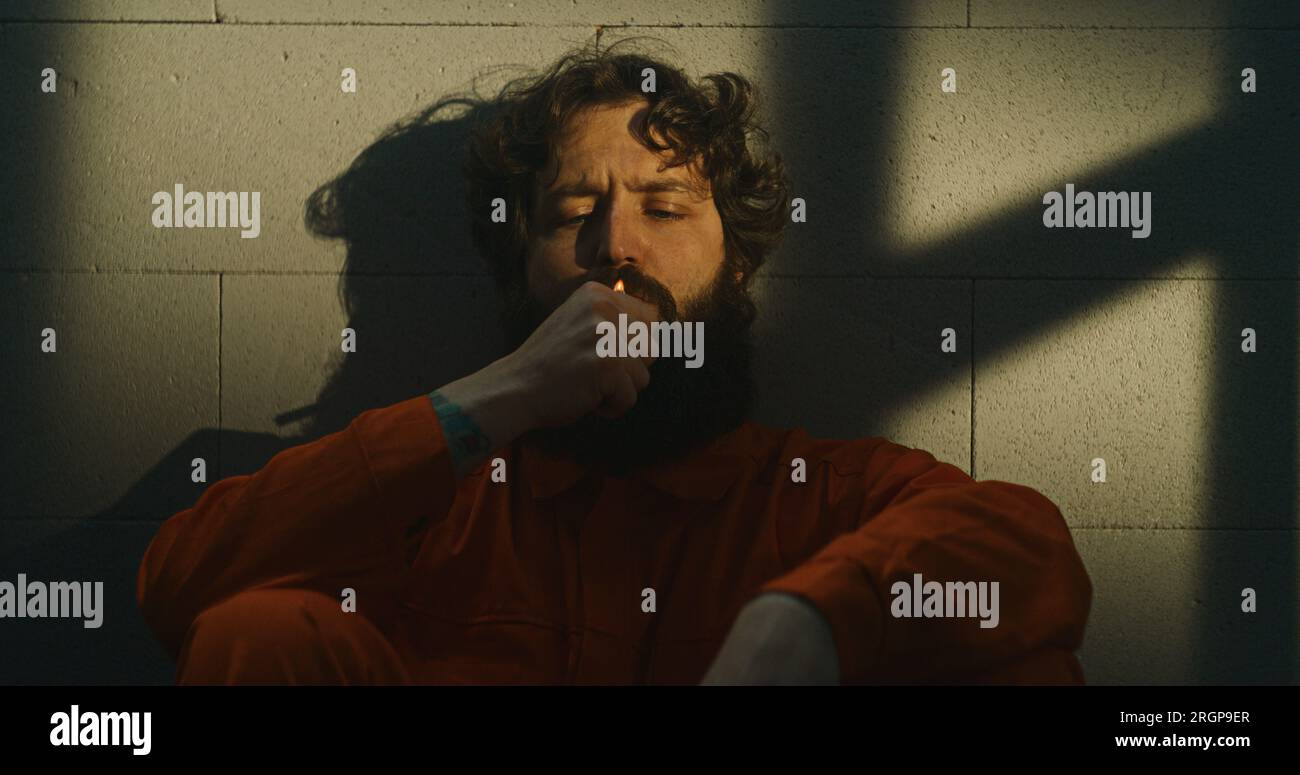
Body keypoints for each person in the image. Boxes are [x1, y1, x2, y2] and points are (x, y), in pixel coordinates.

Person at [137, 42, 1091, 685]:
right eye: (569, 214)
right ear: (523, 263)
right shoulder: (433, 503)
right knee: (254, 630)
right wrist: (491, 401)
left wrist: (809, 619)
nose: (617, 247)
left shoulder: (824, 496)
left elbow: (1032, 553)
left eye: (665, 208)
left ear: (740, 257)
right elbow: (180, 588)